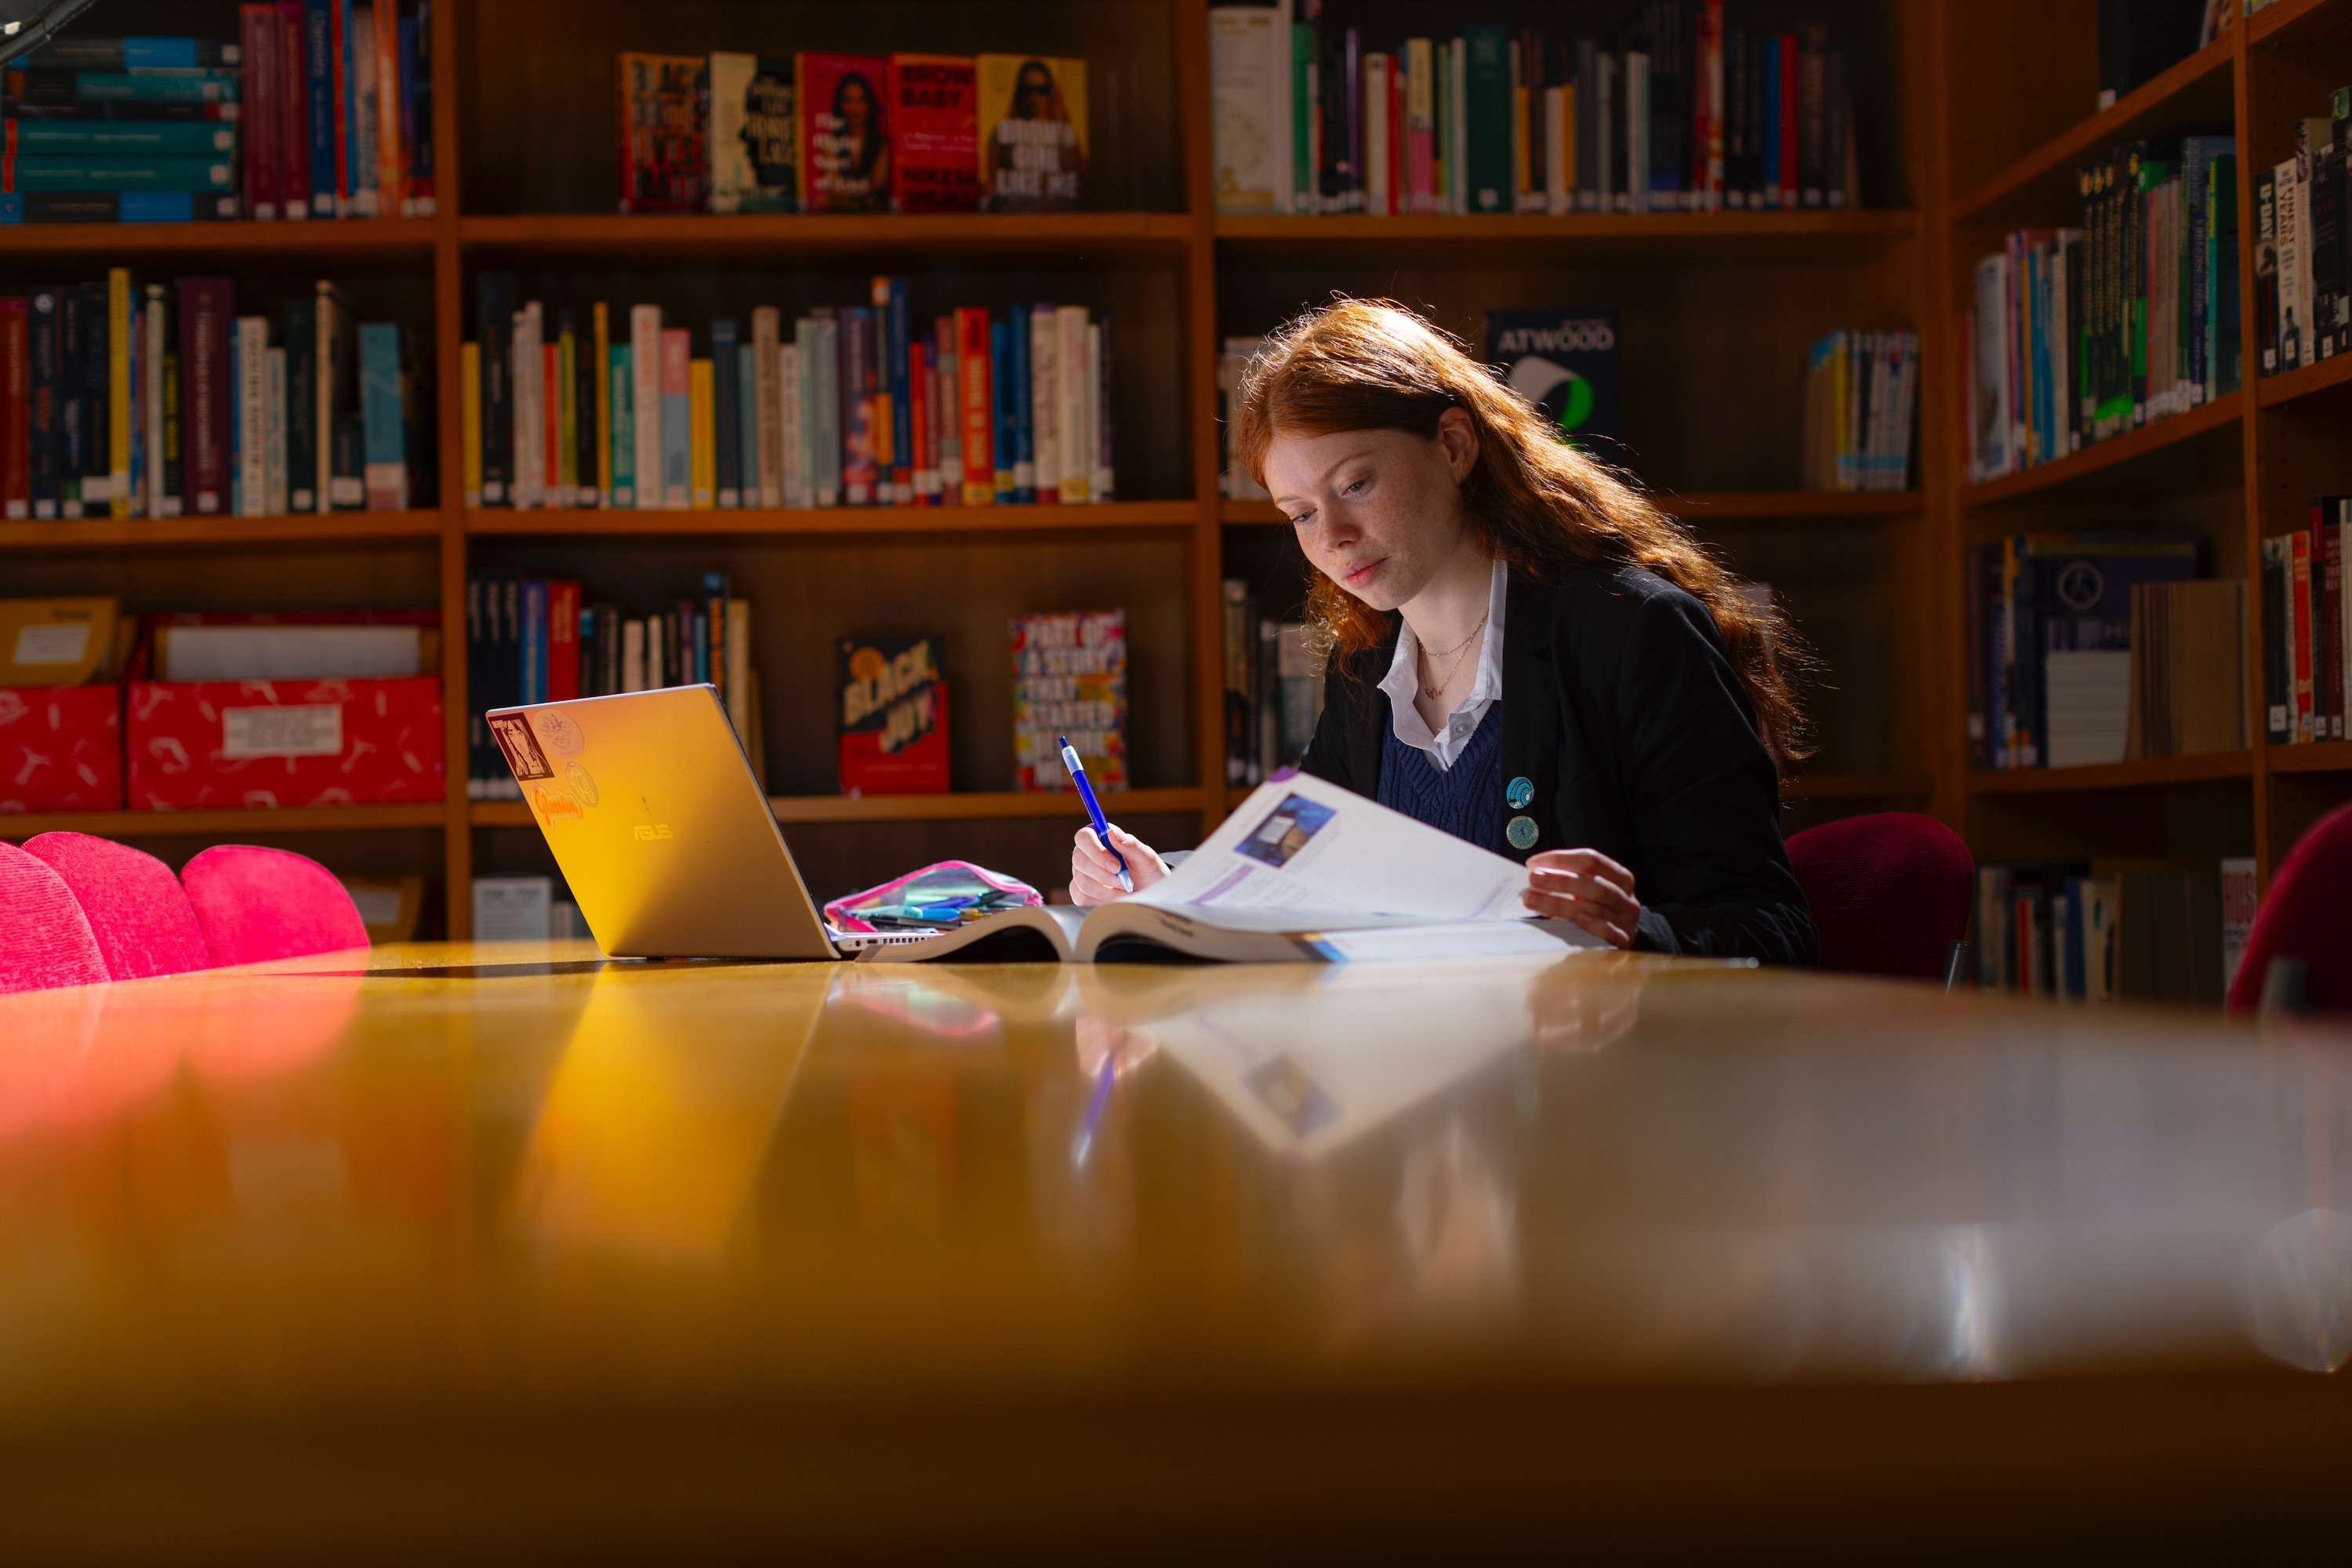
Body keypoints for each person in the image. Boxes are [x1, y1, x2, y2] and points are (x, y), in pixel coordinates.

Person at [1070, 298, 1817, 964]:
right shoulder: (1362, 670)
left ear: (1454, 446)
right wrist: (1169, 890)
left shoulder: (1634, 632)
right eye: (1300, 514)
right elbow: (1296, 875)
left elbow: (1773, 930)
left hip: (1591, 1068)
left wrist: (1634, 933)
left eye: (1355, 484)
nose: (1332, 536)